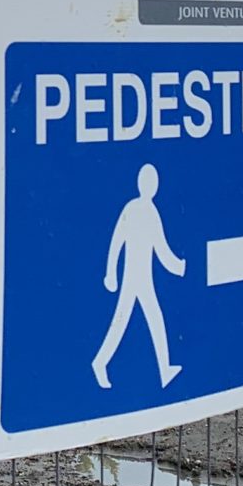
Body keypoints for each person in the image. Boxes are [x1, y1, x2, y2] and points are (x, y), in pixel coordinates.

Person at [92, 162, 184, 389]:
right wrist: (110, 272)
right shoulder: (139, 209)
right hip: (135, 277)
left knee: (147, 319)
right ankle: (100, 363)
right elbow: (120, 240)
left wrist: (177, 266)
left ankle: (164, 369)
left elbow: (158, 246)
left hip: (142, 278)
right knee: (122, 322)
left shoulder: (142, 209)